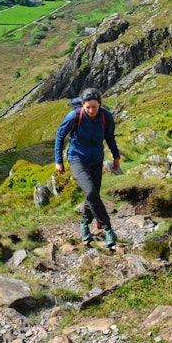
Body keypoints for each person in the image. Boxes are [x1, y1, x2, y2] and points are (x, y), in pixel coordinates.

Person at [55, 87, 120, 247]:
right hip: (77, 158)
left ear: (100, 105)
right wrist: (58, 160)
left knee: (92, 194)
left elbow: (110, 137)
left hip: (96, 159)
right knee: (90, 191)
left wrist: (116, 156)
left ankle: (84, 225)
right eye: (88, 107)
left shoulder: (106, 117)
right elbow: (60, 135)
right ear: (83, 105)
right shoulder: (74, 116)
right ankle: (108, 229)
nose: (91, 110)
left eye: (94, 107)